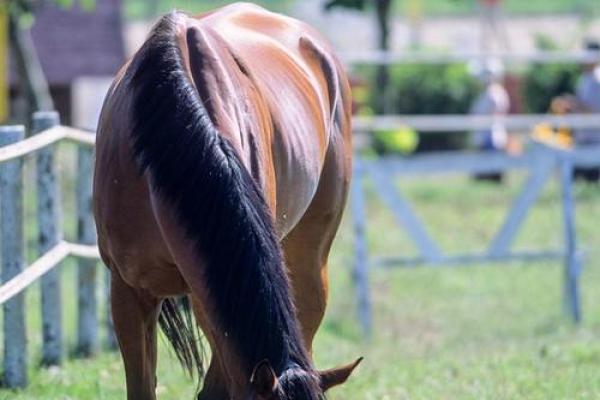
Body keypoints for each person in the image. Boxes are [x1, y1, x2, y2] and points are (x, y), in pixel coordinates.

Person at [469, 58, 510, 182]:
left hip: (491, 135)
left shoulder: (495, 92)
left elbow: (496, 111)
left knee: (492, 169)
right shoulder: (488, 92)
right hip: (485, 134)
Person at [572, 40, 600, 182]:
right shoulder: (585, 78)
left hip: (594, 140)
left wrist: (574, 105)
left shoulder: (597, 79)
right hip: (583, 138)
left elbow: (594, 111)